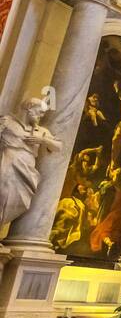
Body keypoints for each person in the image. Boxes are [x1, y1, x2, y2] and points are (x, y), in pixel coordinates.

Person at [0, 98, 62, 229]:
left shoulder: (41, 131)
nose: (41, 116)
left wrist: (43, 140)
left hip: (27, 169)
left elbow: (59, 146)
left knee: (19, 201)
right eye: (39, 112)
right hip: (8, 163)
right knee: (3, 195)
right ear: (29, 108)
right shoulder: (7, 122)